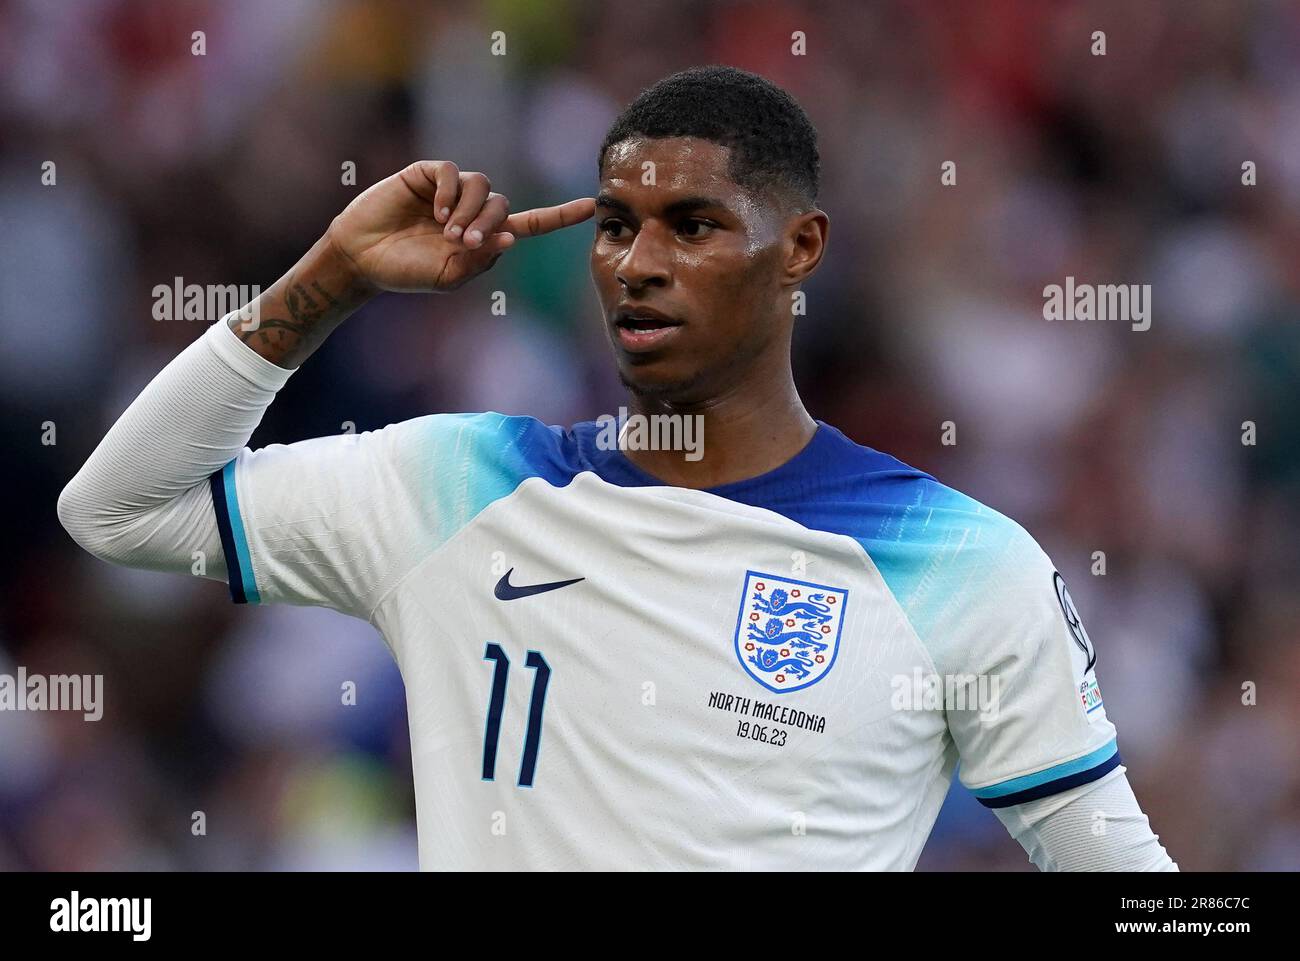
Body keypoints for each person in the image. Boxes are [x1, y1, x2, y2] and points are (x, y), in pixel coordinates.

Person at [59, 65, 1176, 871]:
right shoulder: (456, 484)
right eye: (614, 226)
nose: (638, 265)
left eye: (691, 225)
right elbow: (117, 509)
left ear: (800, 250)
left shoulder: (966, 565)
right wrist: (328, 281)